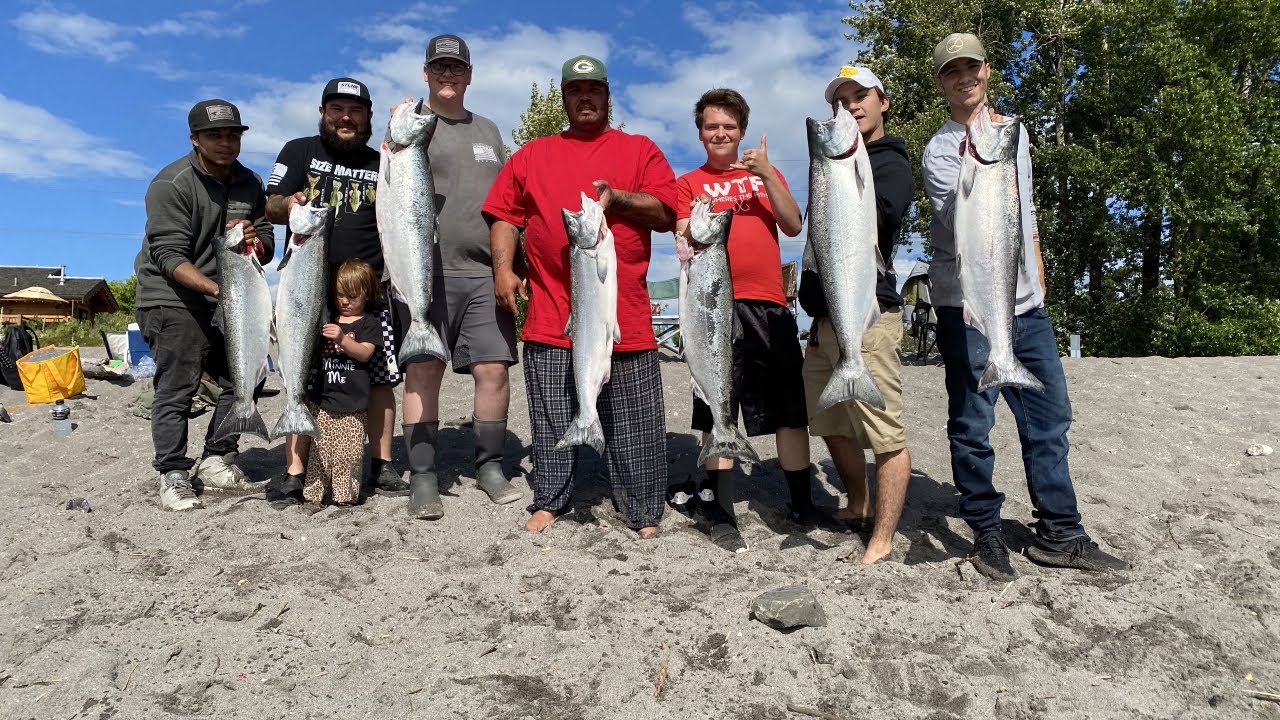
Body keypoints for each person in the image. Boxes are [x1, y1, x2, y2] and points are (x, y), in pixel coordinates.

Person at [922, 33, 1126, 579]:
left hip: (1026, 307)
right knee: (972, 423)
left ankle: (1061, 532)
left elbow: (1024, 211)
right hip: (966, 308)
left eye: (971, 67)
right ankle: (986, 531)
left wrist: (1037, 277)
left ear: (987, 70)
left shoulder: (1015, 132)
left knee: (1049, 419)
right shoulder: (940, 149)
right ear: (942, 82)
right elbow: (955, 224)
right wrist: (975, 157)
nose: (963, 77)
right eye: (952, 71)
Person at [483, 55, 677, 539]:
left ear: (608, 97)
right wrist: (504, 269)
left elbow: (667, 210)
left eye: (594, 90)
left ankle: (643, 510)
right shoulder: (532, 154)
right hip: (550, 314)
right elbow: (505, 214)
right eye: (575, 91)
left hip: (624, 317)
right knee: (550, 418)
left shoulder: (640, 149)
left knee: (638, 422)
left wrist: (621, 199)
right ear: (565, 97)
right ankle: (551, 499)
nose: (584, 98)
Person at [390, 34, 522, 521]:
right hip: (423, 271)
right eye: (439, 67)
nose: (449, 75)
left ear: (470, 74)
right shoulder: (409, 126)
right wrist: (394, 132)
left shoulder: (489, 130)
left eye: (457, 68)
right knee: (424, 369)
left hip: (484, 273)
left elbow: (508, 203)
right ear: (426, 72)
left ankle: (489, 467)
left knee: (493, 369)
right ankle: (423, 476)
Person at [671, 88, 808, 553]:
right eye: (712, 126)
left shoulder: (763, 177)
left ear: (742, 131)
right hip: (711, 309)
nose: (720, 133)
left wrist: (767, 173)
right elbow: (684, 231)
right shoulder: (688, 182)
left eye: (729, 126)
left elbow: (793, 224)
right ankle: (723, 512)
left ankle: (802, 505)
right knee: (715, 409)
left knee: (790, 411)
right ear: (701, 133)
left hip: (768, 304)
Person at [264, 77, 409, 505]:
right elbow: (268, 204)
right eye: (337, 110)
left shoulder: (381, 161)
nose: (346, 118)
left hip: (370, 289)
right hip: (307, 290)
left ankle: (382, 464)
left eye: (356, 111)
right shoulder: (298, 151)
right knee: (304, 376)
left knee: (380, 377)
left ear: (367, 117)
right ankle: (294, 469)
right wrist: (287, 205)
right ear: (323, 112)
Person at [797, 67, 915, 565]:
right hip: (824, 327)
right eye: (839, 102)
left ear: (883, 102)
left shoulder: (889, 162)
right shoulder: (832, 165)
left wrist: (846, 169)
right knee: (831, 424)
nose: (849, 107)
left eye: (859, 96)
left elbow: (886, 213)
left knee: (885, 434)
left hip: (869, 320)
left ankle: (883, 537)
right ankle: (857, 501)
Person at [134, 99, 275, 511]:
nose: (226, 142)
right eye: (215, 135)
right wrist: (219, 291)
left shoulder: (250, 182)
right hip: (172, 297)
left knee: (245, 378)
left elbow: (266, 241)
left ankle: (216, 456)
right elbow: (169, 256)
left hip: (230, 294)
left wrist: (255, 239)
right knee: (178, 386)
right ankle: (173, 473)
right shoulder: (171, 184)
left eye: (233, 134)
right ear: (195, 139)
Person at [303, 260, 381, 506]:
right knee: (320, 452)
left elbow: (365, 353)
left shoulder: (369, 323)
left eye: (352, 296)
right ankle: (312, 497)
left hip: (353, 403)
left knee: (348, 454)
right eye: (339, 296)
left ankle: (344, 498)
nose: (344, 302)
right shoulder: (328, 318)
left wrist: (341, 338)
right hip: (323, 400)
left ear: (366, 294)